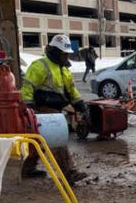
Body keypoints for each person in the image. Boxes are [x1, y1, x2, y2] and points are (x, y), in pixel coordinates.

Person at [20, 34, 87, 185]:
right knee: (58, 138)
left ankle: (27, 169)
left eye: (67, 53)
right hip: (42, 108)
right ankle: (69, 172)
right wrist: (29, 108)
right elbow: (27, 87)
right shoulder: (40, 65)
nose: (66, 56)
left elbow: (71, 91)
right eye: (64, 53)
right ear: (55, 51)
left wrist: (81, 105)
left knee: (39, 141)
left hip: (54, 109)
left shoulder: (64, 69)